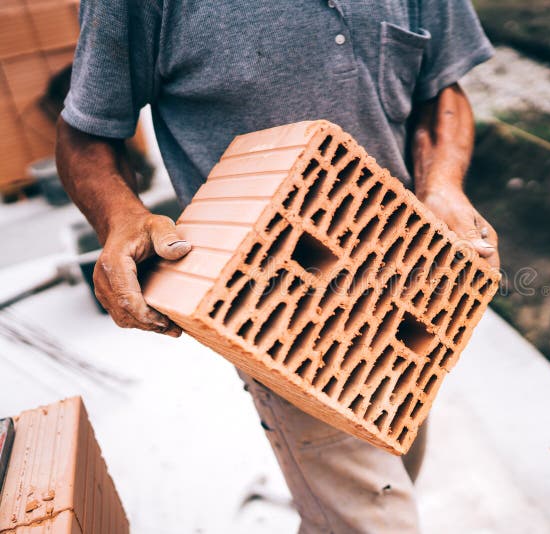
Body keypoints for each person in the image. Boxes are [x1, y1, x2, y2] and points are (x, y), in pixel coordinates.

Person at [56, 1, 500, 532]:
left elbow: (440, 89)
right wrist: (120, 218)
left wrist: (442, 184)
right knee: (376, 520)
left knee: (394, 459)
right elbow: (86, 133)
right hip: (281, 319)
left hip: (402, 277)